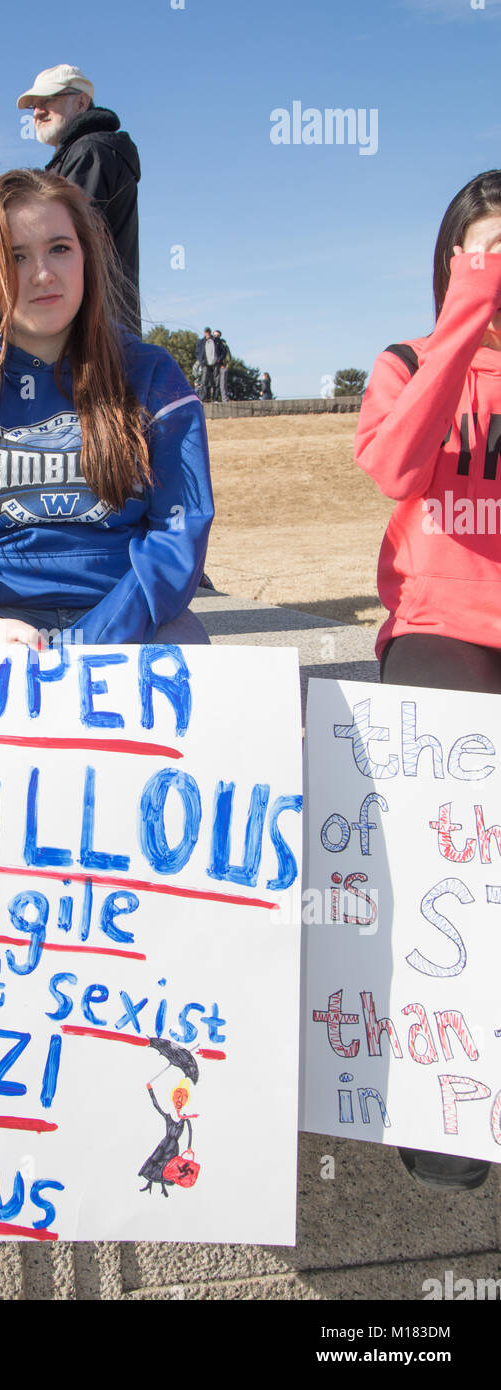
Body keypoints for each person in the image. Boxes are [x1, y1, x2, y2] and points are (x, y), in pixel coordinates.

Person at [0, 168, 212, 659]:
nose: (43, 274)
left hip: (133, 615)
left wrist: (100, 635)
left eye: (59, 248)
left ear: (86, 256)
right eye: (16, 257)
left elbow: (178, 528)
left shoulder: (152, 378)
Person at [355, 167, 501, 1193]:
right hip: (441, 623)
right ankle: (447, 1113)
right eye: (483, 249)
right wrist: (463, 323)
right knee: (448, 873)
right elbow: (398, 470)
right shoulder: (406, 361)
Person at [18, 65, 140, 335]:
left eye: (48, 100)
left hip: (94, 329)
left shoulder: (90, 152)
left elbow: (72, 237)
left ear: (82, 101)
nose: (37, 112)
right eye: (34, 106)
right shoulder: (85, 153)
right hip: (103, 325)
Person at [194, 328, 224, 403]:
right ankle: (203, 398)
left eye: (208, 332)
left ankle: (215, 398)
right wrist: (202, 361)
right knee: (204, 381)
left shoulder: (217, 341)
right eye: (206, 332)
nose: (207, 333)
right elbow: (197, 352)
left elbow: (224, 351)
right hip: (205, 364)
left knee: (216, 381)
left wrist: (219, 359)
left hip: (215, 363)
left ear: (210, 332)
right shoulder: (201, 342)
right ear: (204, 333)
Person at [213, 330, 231, 404]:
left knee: (222, 384)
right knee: (214, 383)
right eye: (214, 335)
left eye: (217, 335)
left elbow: (228, 357)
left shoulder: (223, 345)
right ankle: (214, 398)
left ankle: (224, 399)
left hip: (222, 366)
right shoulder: (211, 344)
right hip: (213, 367)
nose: (216, 336)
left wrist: (226, 365)